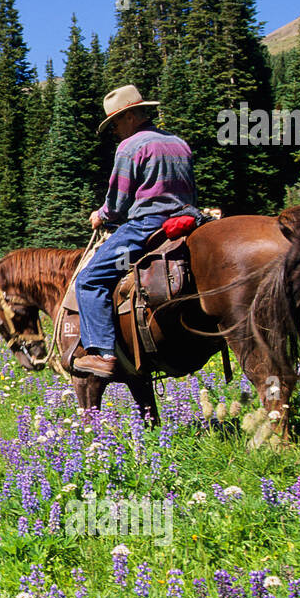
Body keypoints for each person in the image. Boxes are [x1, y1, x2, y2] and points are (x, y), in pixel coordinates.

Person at [74, 85, 197, 379]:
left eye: (116, 122)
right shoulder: (179, 142)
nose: (115, 129)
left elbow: (117, 203)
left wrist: (99, 215)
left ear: (130, 116)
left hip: (147, 226)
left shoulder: (131, 147)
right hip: (187, 221)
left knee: (89, 281)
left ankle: (101, 353)